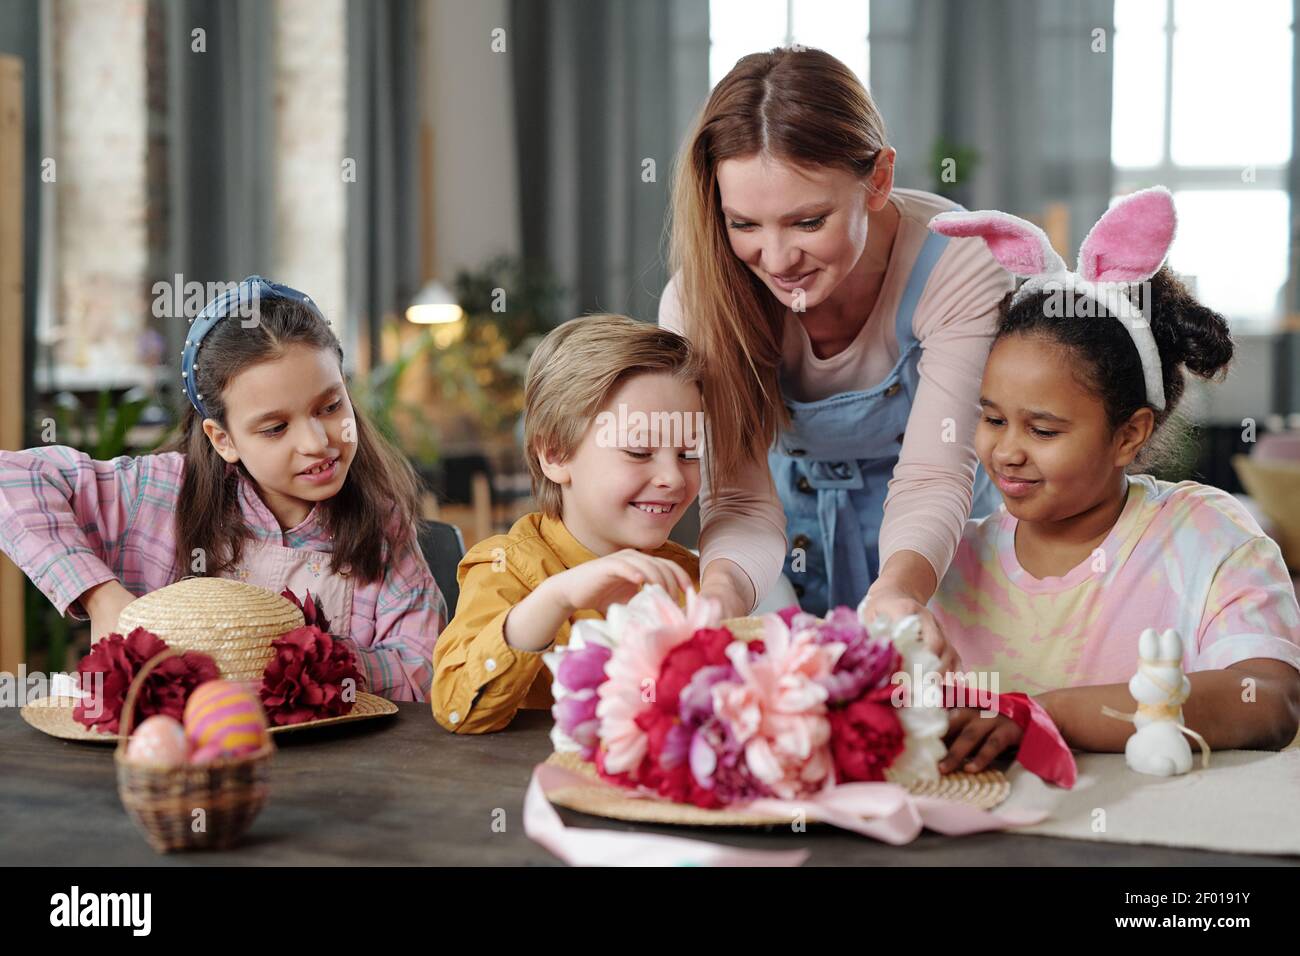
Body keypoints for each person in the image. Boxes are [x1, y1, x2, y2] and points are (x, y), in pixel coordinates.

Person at [926, 189, 1300, 771]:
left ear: (1129, 434)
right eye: (992, 419)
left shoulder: (1204, 537)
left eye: (1043, 432)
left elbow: (1271, 701)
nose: (1006, 452)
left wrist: (1047, 714)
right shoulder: (955, 559)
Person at [0, 276, 444, 701]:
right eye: (275, 428)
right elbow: (13, 479)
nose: (316, 442)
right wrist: (101, 597)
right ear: (223, 439)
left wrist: (304, 667)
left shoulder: (382, 524)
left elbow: (423, 666)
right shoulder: (158, 492)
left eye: (330, 406)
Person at [431, 315, 702, 733]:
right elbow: (455, 709)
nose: (674, 477)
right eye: (638, 451)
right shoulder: (506, 568)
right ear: (555, 455)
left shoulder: (689, 576)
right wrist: (556, 598)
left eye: (688, 454)